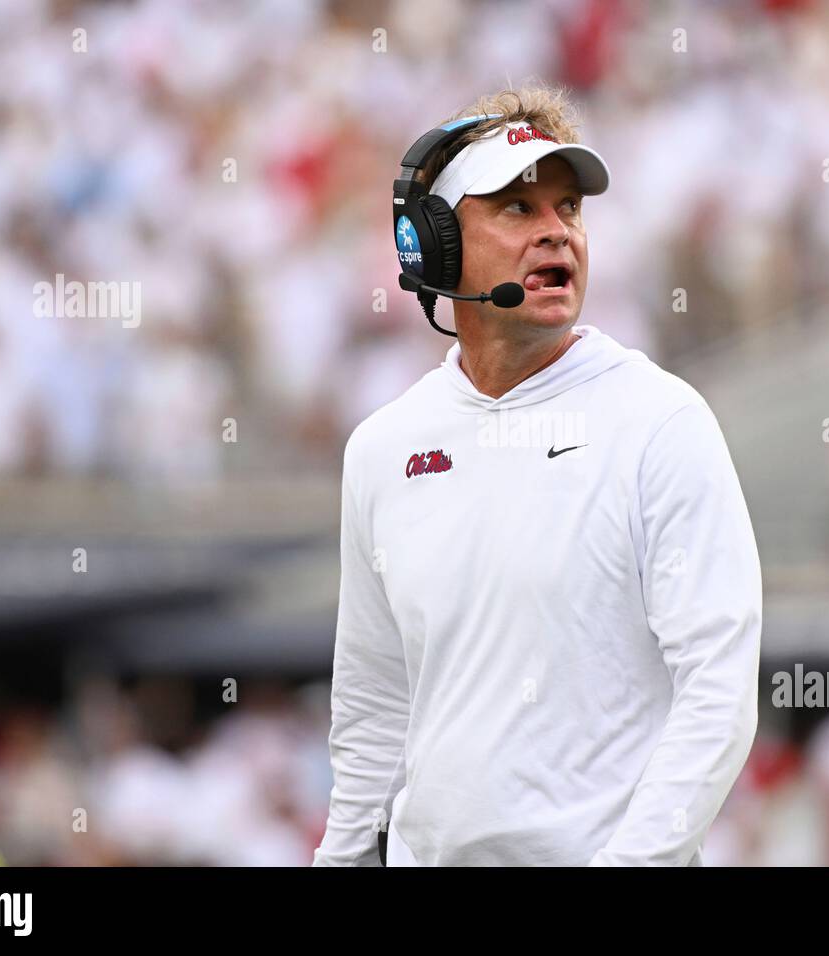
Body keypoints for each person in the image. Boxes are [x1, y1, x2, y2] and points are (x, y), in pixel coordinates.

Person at [312, 85, 762, 866]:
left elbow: (718, 694)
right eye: (519, 209)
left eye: (569, 210)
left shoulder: (662, 421)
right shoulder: (382, 448)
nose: (558, 233)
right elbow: (374, 701)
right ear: (435, 245)